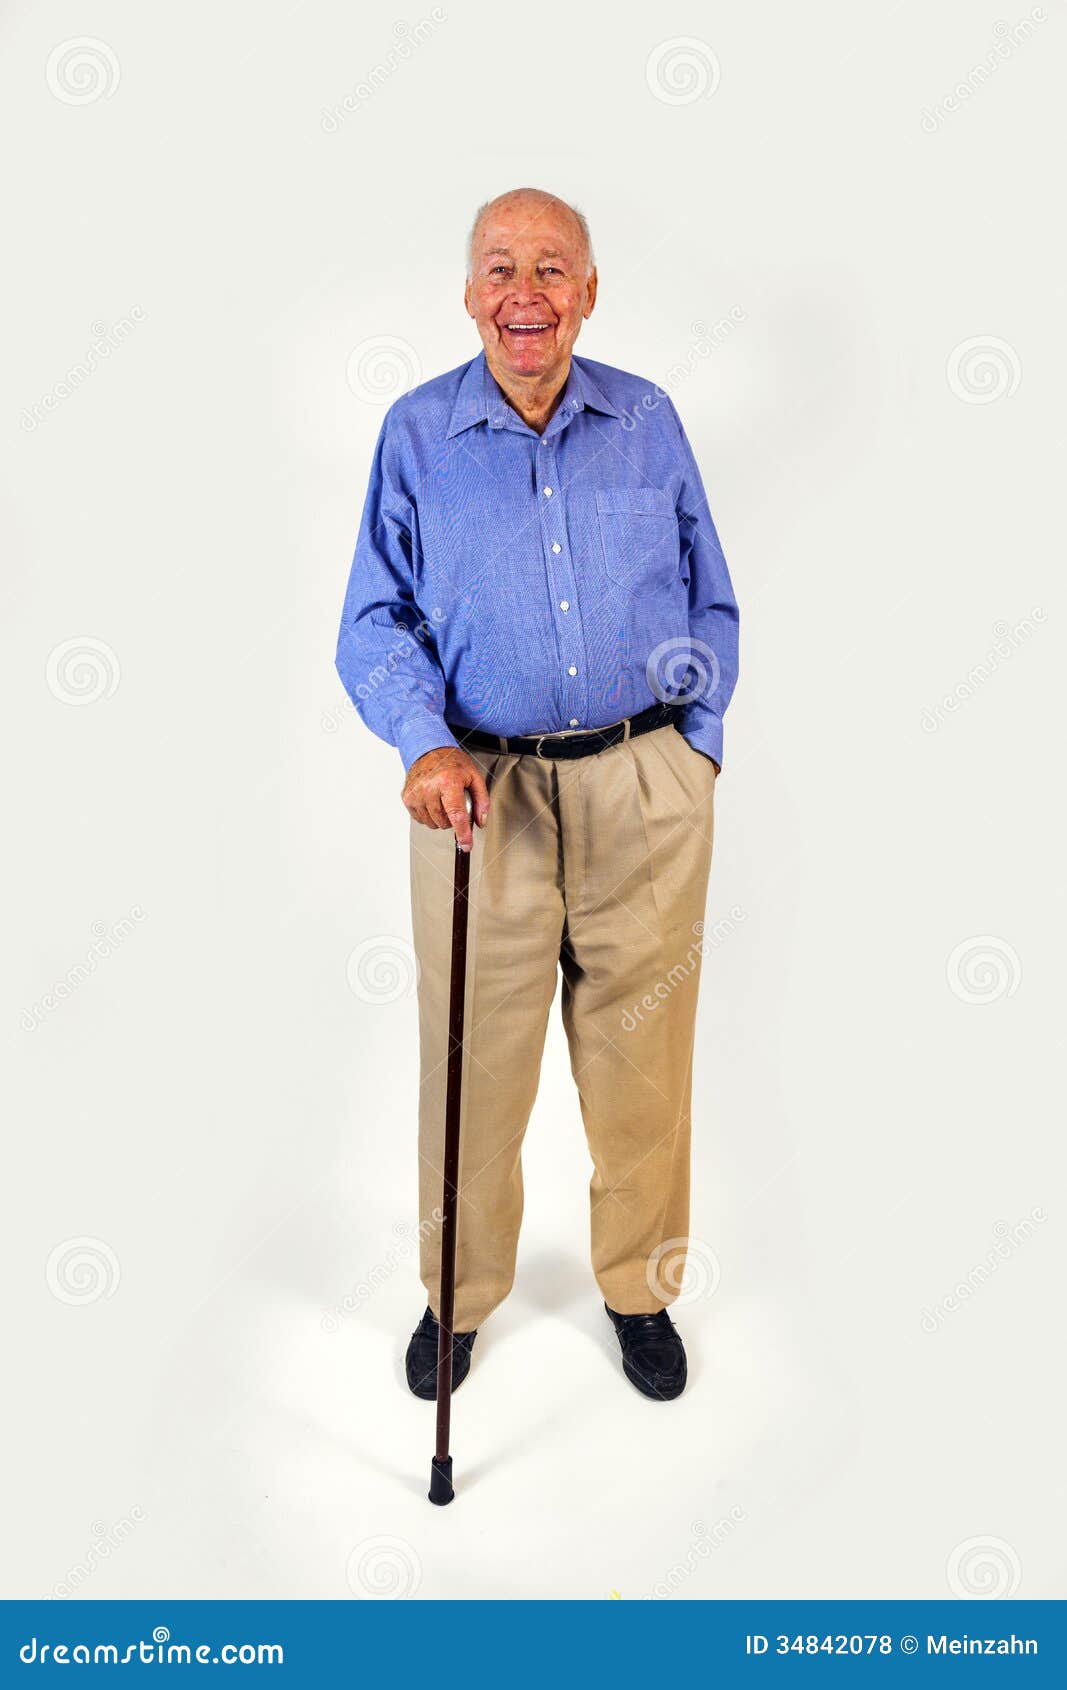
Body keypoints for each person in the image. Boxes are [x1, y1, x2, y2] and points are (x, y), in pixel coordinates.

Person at [336, 188, 739, 1401]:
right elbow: (372, 619)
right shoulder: (414, 434)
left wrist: (692, 750)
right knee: (472, 1065)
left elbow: (706, 592)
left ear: (589, 291)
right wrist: (421, 743)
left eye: (551, 269)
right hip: (478, 799)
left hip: (642, 790)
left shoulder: (648, 419)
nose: (527, 294)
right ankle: (454, 1300)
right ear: (469, 296)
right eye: (501, 269)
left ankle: (638, 1289)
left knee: (643, 1065)